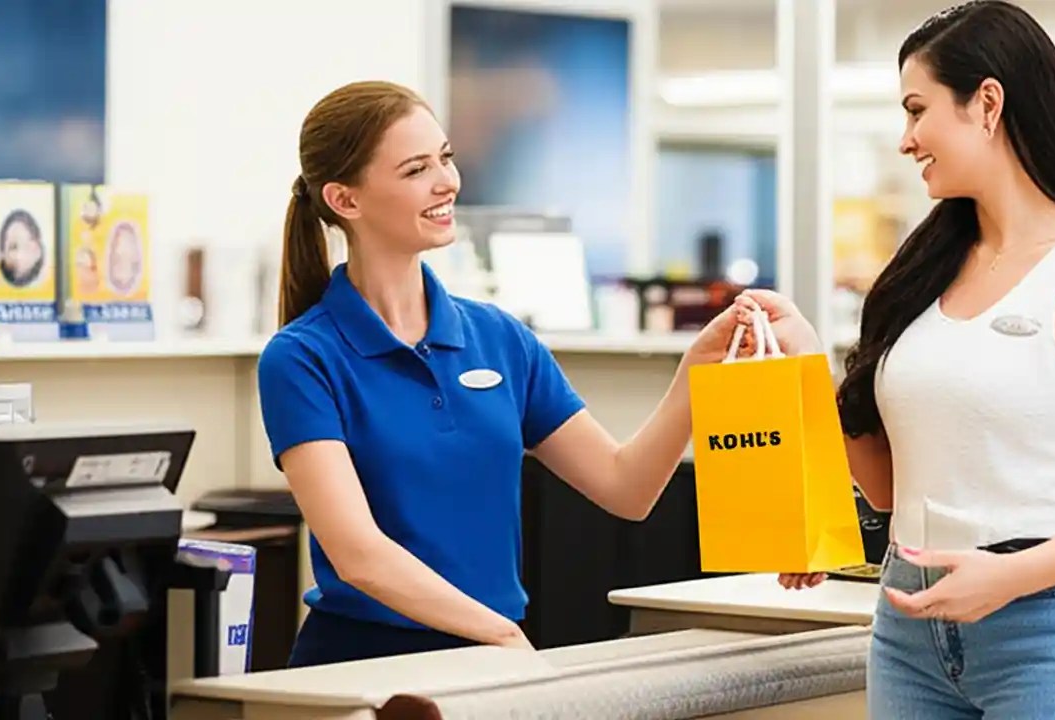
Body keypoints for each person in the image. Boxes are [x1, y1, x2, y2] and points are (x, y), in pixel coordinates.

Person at [750, 2, 1055, 717]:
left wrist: (1010, 579)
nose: (905, 139)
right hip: (909, 629)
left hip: (1054, 632)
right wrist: (808, 365)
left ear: (987, 102)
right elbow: (888, 488)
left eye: (917, 110)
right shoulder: (922, 272)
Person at [256, 80, 752, 668]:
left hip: (490, 656)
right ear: (345, 200)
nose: (447, 183)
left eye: (446, 158)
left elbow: (627, 489)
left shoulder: (499, 338)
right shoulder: (302, 358)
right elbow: (358, 554)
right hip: (366, 665)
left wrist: (696, 374)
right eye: (416, 169)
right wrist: (500, 637)